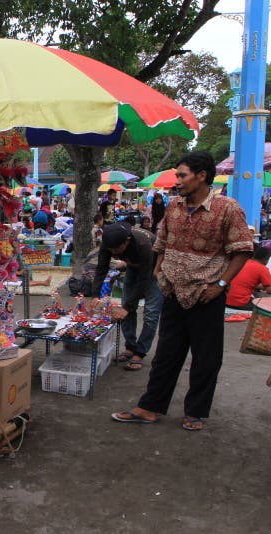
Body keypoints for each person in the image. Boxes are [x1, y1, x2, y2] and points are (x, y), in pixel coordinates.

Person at [113, 151, 254, 430]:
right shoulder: (174, 206)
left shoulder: (228, 209)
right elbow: (162, 242)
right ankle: (150, 407)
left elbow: (242, 250)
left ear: (201, 176)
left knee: (206, 357)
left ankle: (195, 413)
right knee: (166, 354)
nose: (177, 180)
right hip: (173, 292)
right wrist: (158, 270)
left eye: (182, 175)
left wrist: (221, 285)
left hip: (207, 295)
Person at [93, 222, 162, 371]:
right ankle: (130, 347)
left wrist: (127, 307)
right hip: (133, 266)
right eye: (111, 250)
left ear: (127, 241)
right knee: (125, 308)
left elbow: (144, 280)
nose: (114, 253)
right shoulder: (108, 243)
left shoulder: (144, 245)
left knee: (151, 312)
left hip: (153, 269)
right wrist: (94, 295)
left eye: (117, 250)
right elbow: (101, 268)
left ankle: (140, 351)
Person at [225, 244, 271, 310]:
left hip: (226, 299)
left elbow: (247, 282)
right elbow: (269, 290)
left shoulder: (244, 262)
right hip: (240, 303)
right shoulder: (262, 268)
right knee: (265, 301)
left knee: (256, 294)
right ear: (267, 259)